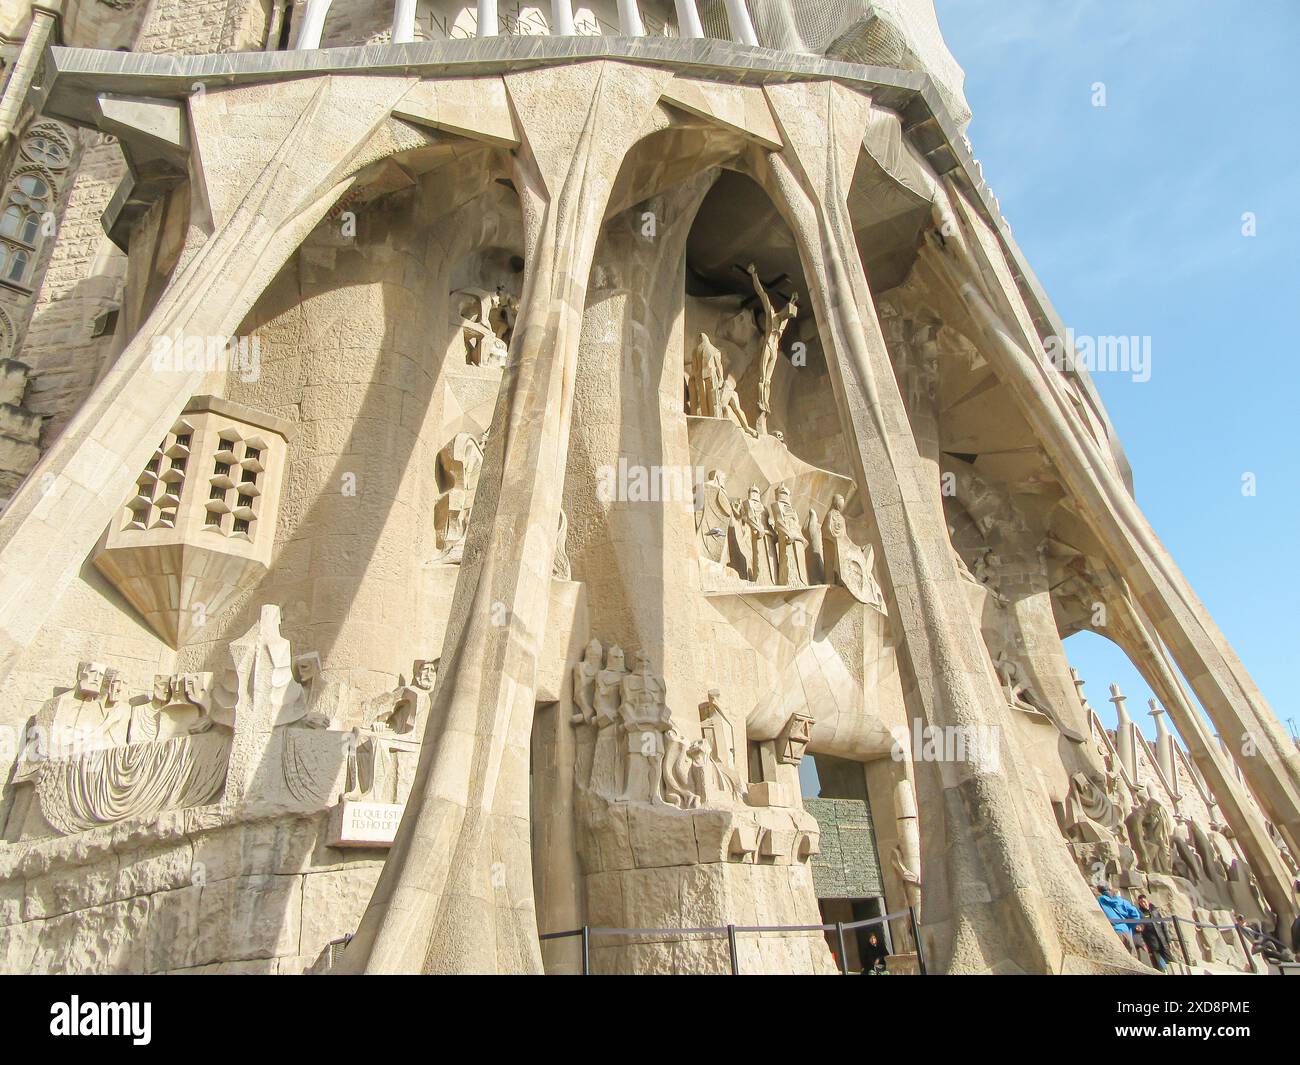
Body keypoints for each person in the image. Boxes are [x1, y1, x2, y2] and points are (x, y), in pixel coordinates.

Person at [1096, 885, 1141, 953]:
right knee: (1132, 955)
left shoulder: (1100, 900)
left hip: (1112, 931)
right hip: (1125, 930)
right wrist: (1130, 925)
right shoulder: (1123, 902)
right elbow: (1136, 915)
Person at [1134, 893, 1173, 972]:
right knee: (1160, 966)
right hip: (1152, 944)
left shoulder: (1155, 911)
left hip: (1163, 941)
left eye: (1144, 901)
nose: (1143, 904)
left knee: (1171, 963)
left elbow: (1163, 926)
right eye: (1141, 902)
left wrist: (1168, 940)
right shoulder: (1141, 915)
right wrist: (1143, 944)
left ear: (1147, 901)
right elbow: (1141, 932)